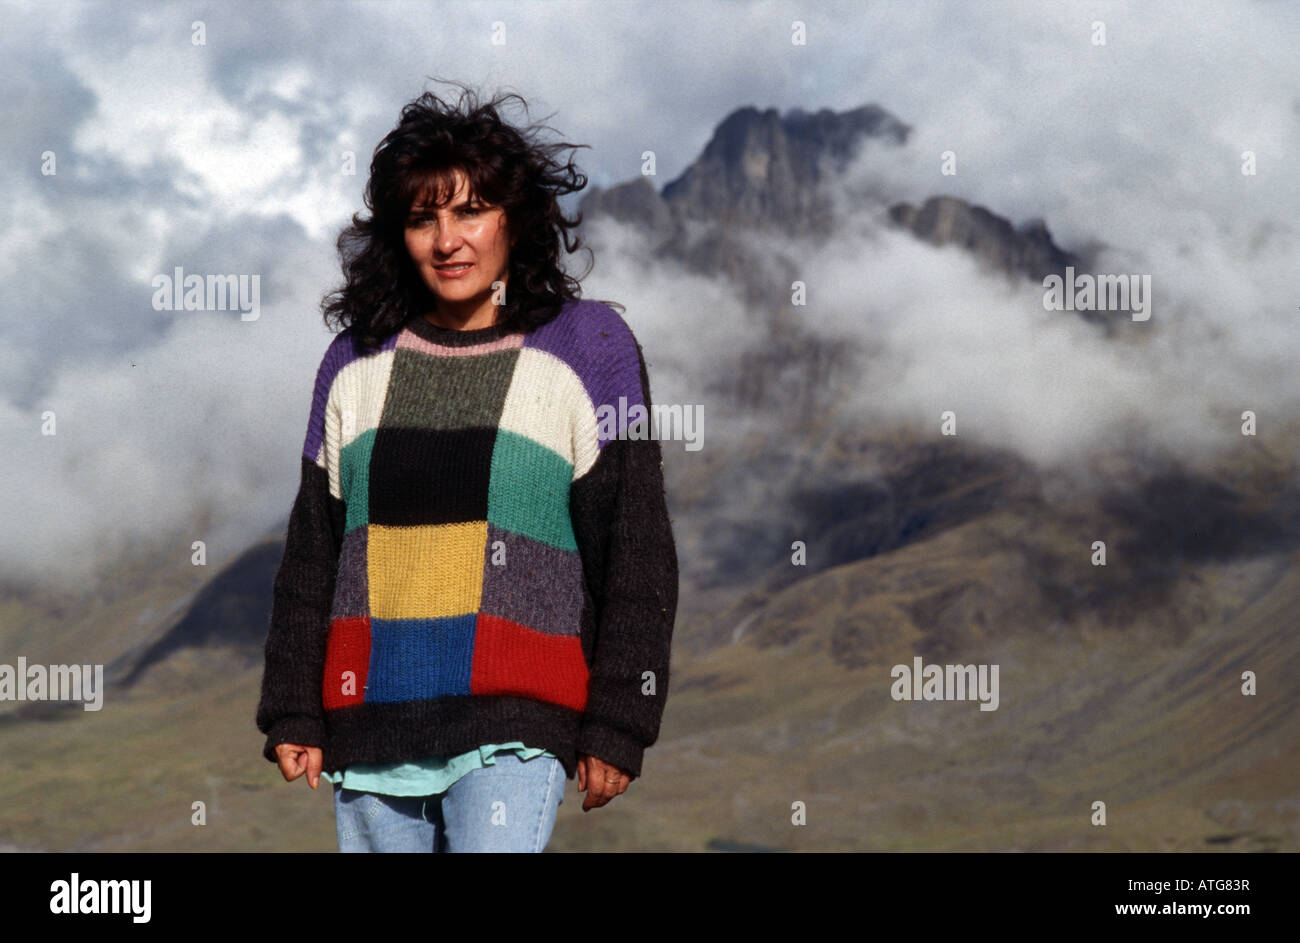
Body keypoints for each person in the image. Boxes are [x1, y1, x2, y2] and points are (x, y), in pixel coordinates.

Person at [254, 81, 679, 853]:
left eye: (470, 211)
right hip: (372, 724)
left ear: (515, 220)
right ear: (398, 235)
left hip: (518, 720)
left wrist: (620, 723)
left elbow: (637, 546)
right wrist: (293, 707)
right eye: (423, 219)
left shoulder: (590, 349)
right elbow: (312, 550)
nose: (447, 239)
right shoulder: (353, 363)